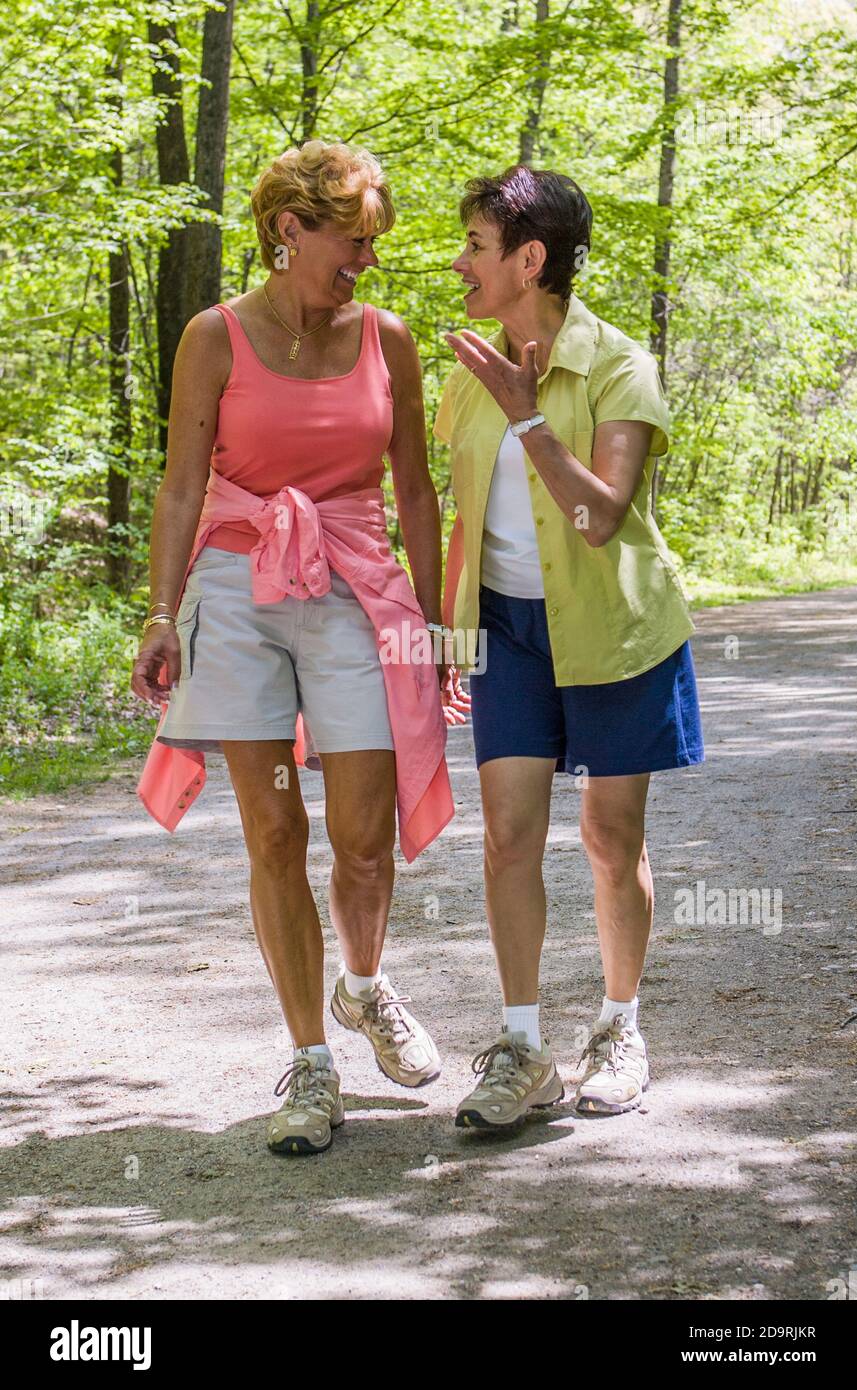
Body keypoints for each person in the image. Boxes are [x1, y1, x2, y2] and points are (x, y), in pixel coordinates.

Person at [132, 139, 459, 1157]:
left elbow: (413, 488)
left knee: (363, 835)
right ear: (289, 230)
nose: (366, 260)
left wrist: (439, 620)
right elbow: (182, 484)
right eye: (352, 241)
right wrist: (159, 609)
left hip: (356, 585)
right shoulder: (213, 336)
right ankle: (311, 1064)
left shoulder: (387, 340)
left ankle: (364, 988)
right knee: (275, 833)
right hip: (236, 589)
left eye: (373, 243)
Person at [435, 165, 704, 1130]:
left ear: (529, 259)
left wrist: (529, 414)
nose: (459, 262)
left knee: (607, 837)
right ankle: (521, 1049)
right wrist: (447, 632)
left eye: (475, 245)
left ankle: (620, 1028)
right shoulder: (466, 372)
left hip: (614, 629)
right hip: (506, 632)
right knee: (507, 837)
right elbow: (463, 513)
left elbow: (600, 516)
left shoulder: (619, 365)